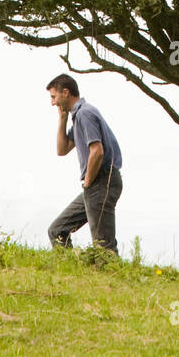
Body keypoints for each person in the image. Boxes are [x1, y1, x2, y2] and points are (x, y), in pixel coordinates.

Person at [46, 74, 123, 255]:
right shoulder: (78, 116)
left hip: (102, 180)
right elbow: (62, 149)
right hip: (96, 183)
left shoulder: (85, 114)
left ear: (65, 92)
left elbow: (97, 151)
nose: (52, 103)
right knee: (57, 231)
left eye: (53, 97)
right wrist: (62, 119)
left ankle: (112, 280)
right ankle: (70, 271)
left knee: (104, 249)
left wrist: (87, 182)